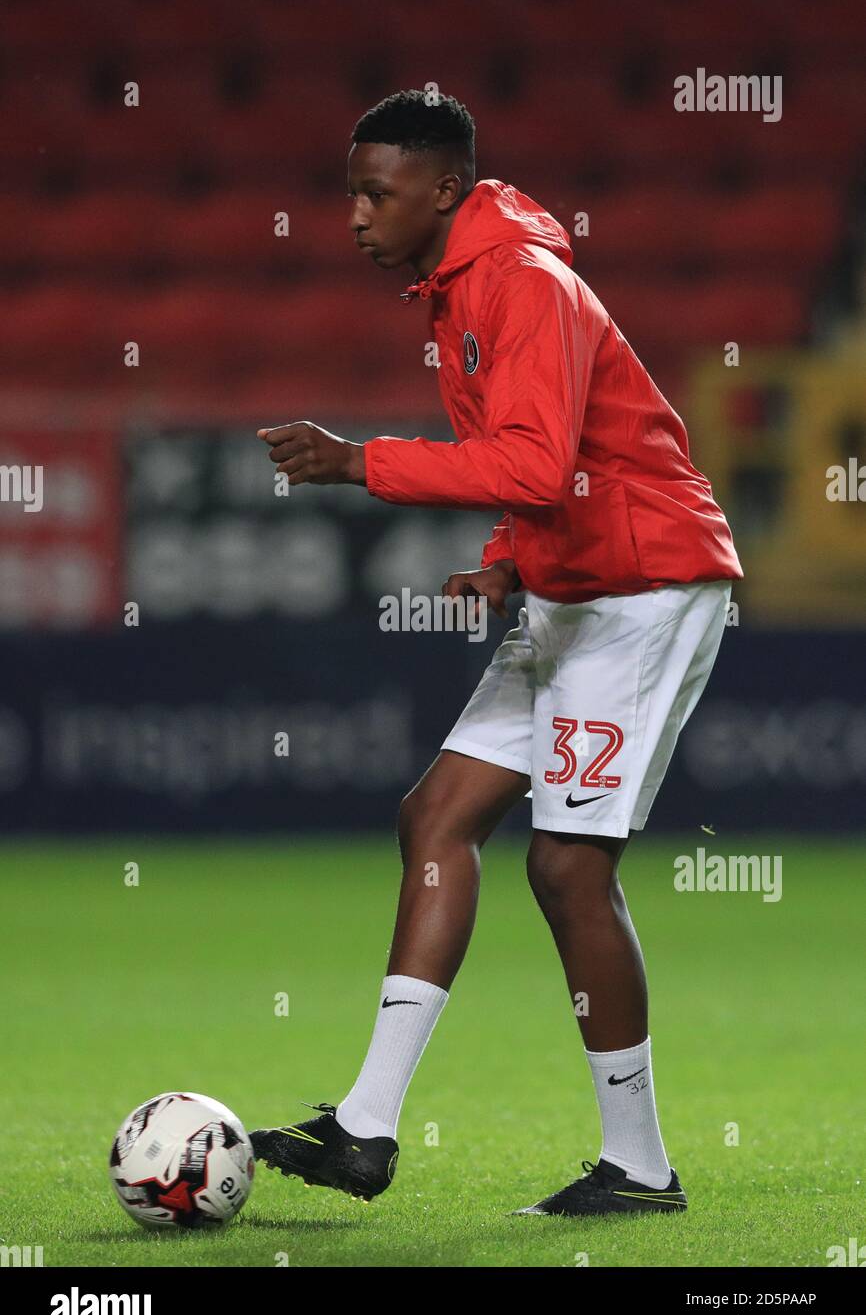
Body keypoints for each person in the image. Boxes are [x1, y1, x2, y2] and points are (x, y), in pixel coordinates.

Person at [250, 90, 742, 1216]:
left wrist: (356, 462)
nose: (354, 217)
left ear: (440, 189)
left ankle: (639, 1166)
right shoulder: (464, 286)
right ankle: (365, 1129)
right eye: (349, 193)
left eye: (374, 193)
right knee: (435, 817)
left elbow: (531, 462)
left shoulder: (520, 280)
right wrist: (503, 559)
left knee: (568, 866)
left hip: (643, 585)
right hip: (573, 581)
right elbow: (540, 464)